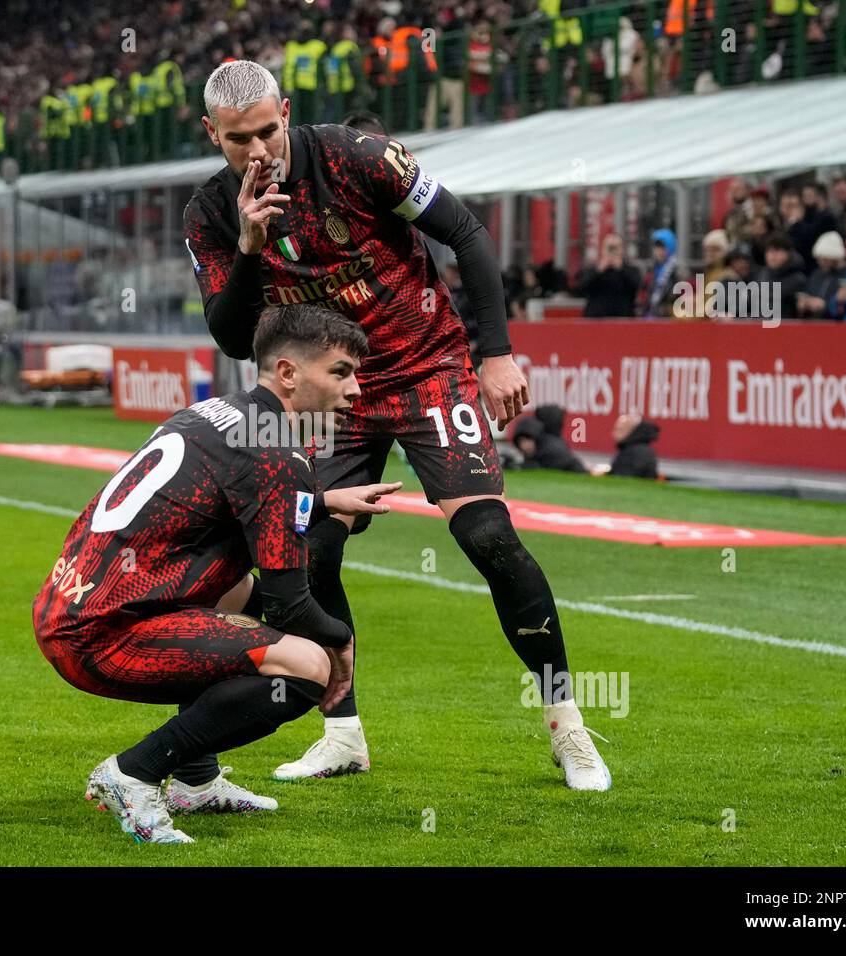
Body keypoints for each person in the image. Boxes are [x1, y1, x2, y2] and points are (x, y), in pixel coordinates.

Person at [183, 60, 611, 790]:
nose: (255, 152)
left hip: (425, 365)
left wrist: (497, 354)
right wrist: (251, 252)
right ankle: (343, 733)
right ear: (210, 133)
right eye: (236, 141)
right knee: (309, 555)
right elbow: (229, 336)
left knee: (486, 536)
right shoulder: (212, 213)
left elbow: (467, 234)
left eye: (265, 132)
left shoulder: (358, 157)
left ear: (286, 112)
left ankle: (568, 726)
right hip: (329, 393)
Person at [32, 305, 402, 844]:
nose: (355, 391)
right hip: (99, 640)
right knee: (308, 668)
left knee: (237, 595)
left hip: (70, 607)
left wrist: (320, 502)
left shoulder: (221, 413)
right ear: (288, 373)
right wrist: (342, 644)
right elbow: (289, 605)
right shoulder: (277, 451)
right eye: (341, 372)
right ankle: (134, 772)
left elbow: (239, 499)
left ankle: (196, 782)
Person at [574, 234, 640, 317]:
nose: (612, 251)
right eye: (609, 248)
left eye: (615, 248)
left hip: (623, 320)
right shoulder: (592, 270)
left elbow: (636, 287)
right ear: (602, 249)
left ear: (622, 249)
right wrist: (598, 270)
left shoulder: (631, 270)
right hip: (596, 320)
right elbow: (581, 288)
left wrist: (621, 268)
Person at [797, 231, 846, 319]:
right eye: (819, 259)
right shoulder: (816, 275)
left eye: (825, 259)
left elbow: (843, 305)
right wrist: (805, 303)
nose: (821, 262)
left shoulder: (845, 276)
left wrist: (825, 305)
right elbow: (808, 293)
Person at [608, 415, 660, 479]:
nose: (613, 434)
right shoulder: (629, 449)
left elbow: (625, 478)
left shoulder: (640, 453)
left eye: (619, 429)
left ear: (631, 431)